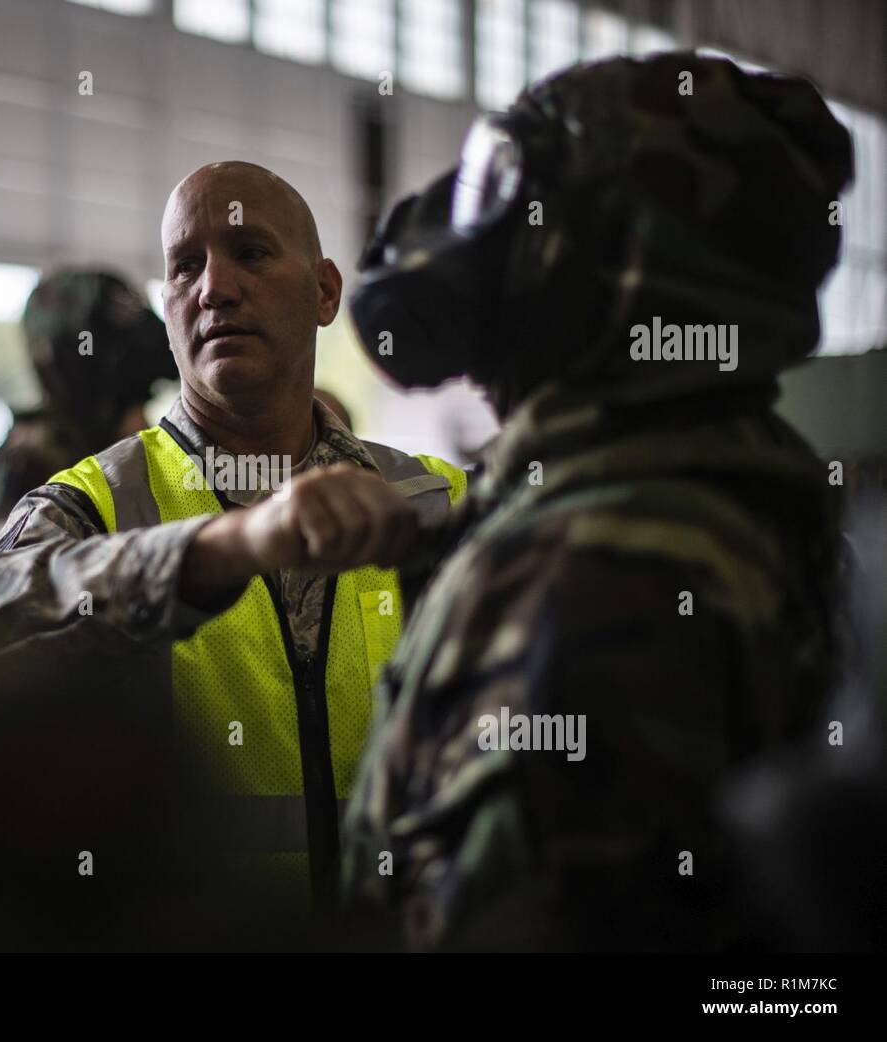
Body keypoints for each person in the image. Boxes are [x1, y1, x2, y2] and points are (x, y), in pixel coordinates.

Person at [341, 53, 852, 949]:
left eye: (509, 191)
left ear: (619, 255)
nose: (464, 235)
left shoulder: (595, 575)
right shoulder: (749, 489)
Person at [0, 161, 466, 902]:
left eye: (249, 252)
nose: (214, 287)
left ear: (325, 291)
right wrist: (219, 550)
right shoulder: (95, 504)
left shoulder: (434, 499)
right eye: (185, 266)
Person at [0, 269, 177, 547]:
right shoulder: (31, 461)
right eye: (134, 404)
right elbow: (9, 576)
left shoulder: (145, 455)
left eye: (144, 399)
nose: (143, 425)